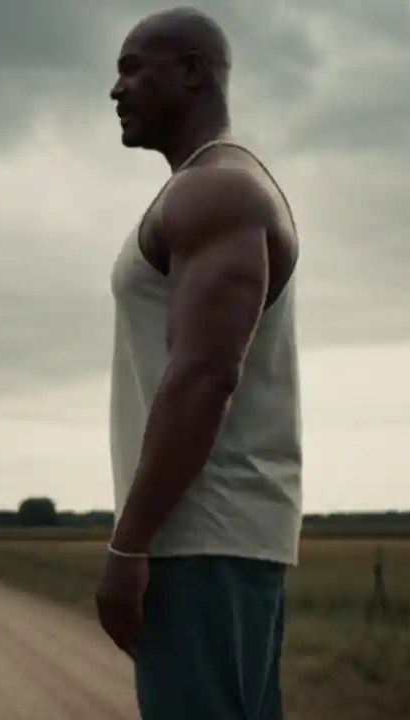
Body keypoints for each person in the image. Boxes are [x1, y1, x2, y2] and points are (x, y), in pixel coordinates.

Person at [95, 7, 303, 719]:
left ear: (193, 72)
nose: (115, 90)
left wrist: (129, 547)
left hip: (202, 540)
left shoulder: (216, 191)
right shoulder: (208, 188)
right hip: (215, 541)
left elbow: (205, 377)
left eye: (132, 68)